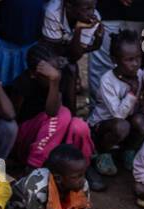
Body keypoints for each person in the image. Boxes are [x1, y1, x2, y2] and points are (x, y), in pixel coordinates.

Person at [9, 44, 98, 183]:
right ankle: (33, 169)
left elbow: (71, 111)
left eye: (57, 70)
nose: (56, 74)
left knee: (79, 126)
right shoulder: (24, 82)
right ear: (33, 74)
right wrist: (54, 82)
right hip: (29, 143)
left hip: (55, 139)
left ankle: (83, 167)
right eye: (49, 74)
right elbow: (52, 112)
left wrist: (57, 80)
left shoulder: (64, 75)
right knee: (61, 114)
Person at [88, 28, 144, 178]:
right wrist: (132, 91)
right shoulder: (107, 80)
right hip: (103, 125)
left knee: (142, 122)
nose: (136, 64)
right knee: (122, 126)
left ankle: (128, 151)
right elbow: (118, 115)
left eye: (138, 57)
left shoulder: (140, 74)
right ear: (114, 60)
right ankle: (103, 152)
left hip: (127, 121)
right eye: (129, 59)